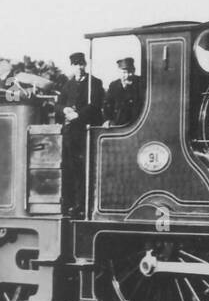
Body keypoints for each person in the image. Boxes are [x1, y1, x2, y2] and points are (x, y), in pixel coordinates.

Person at [56, 52, 103, 217]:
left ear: (85, 65)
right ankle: (68, 204)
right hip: (69, 133)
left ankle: (81, 204)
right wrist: (64, 110)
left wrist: (79, 115)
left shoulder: (94, 83)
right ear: (72, 66)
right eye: (76, 64)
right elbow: (59, 104)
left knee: (83, 169)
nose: (79, 67)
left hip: (85, 133)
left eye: (81, 64)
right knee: (69, 168)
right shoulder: (68, 85)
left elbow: (95, 105)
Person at [103, 57, 144, 127]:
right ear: (119, 72)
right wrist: (108, 120)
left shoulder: (140, 83)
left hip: (136, 124)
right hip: (118, 124)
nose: (127, 76)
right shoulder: (113, 85)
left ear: (134, 71)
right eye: (124, 72)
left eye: (130, 72)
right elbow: (107, 105)